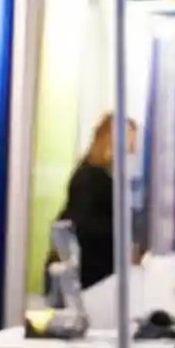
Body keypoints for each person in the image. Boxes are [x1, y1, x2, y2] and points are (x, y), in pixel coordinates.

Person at [53, 113, 138, 289]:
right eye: (129, 142)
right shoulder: (92, 178)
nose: (132, 149)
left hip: (93, 272)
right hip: (91, 275)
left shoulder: (94, 174)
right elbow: (86, 226)